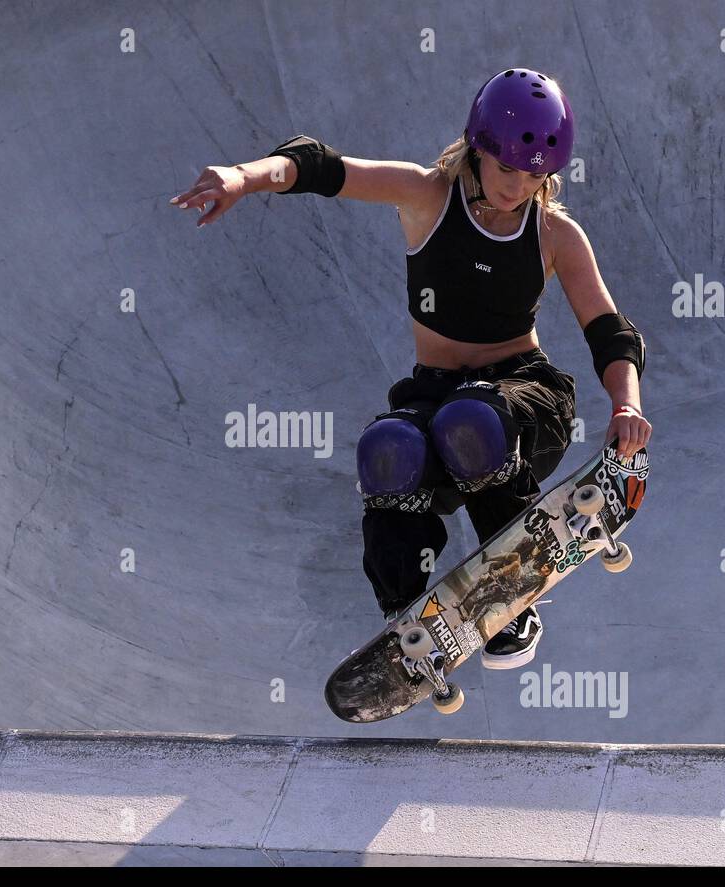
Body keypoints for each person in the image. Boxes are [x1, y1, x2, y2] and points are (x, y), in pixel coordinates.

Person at [171, 68, 652, 670]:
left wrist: (626, 404)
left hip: (526, 400)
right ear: (478, 149)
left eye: (535, 177)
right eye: (507, 169)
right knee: (388, 449)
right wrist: (244, 177)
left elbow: (609, 329)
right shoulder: (426, 194)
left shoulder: (555, 234)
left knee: (469, 418)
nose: (517, 187)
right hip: (438, 395)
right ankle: (410, 623)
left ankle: (513, 588)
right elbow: (321, 168)